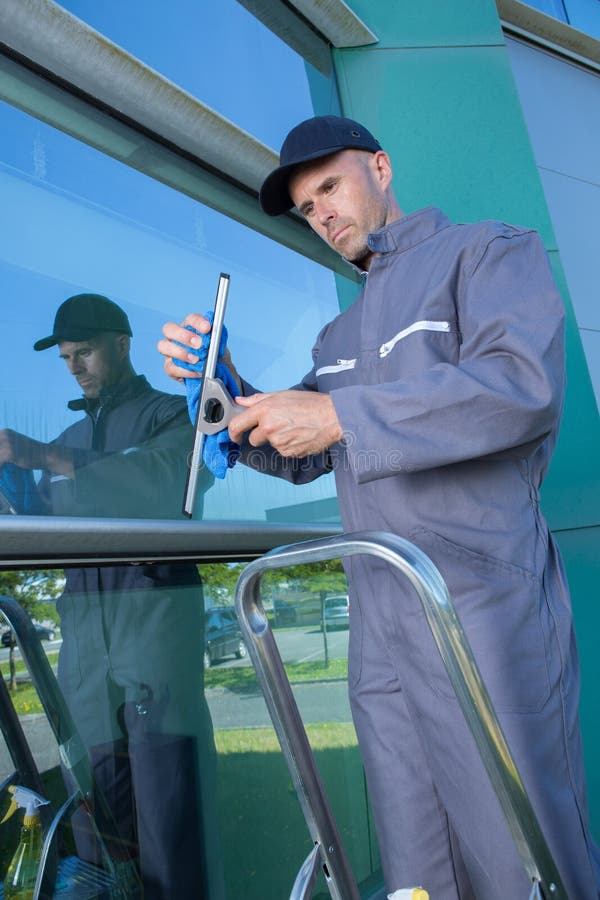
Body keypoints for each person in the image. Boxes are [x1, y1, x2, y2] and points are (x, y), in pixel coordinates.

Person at [159, 115, 600, 898]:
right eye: (307, 207)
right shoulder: (340, 334)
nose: (322, 214)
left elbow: (519, 391)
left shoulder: (489, 253)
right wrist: (231, 398)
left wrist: (339, 415)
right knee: (416, 861)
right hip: (381, 628)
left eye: (329, 187)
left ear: (382, 168)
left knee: (522, 852)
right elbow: (310, 447)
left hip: (480, 610)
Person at [0, 293, 223, 899]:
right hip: (86, 651)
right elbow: (42, 523)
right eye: (66, 357)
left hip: (153, 633)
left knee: (168, 816)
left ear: (122, 345)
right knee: (97, 816)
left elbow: (166, 483)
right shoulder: (72, 435)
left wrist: (37, 454)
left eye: (85, 351)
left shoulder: (171, 416)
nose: (74, 366)